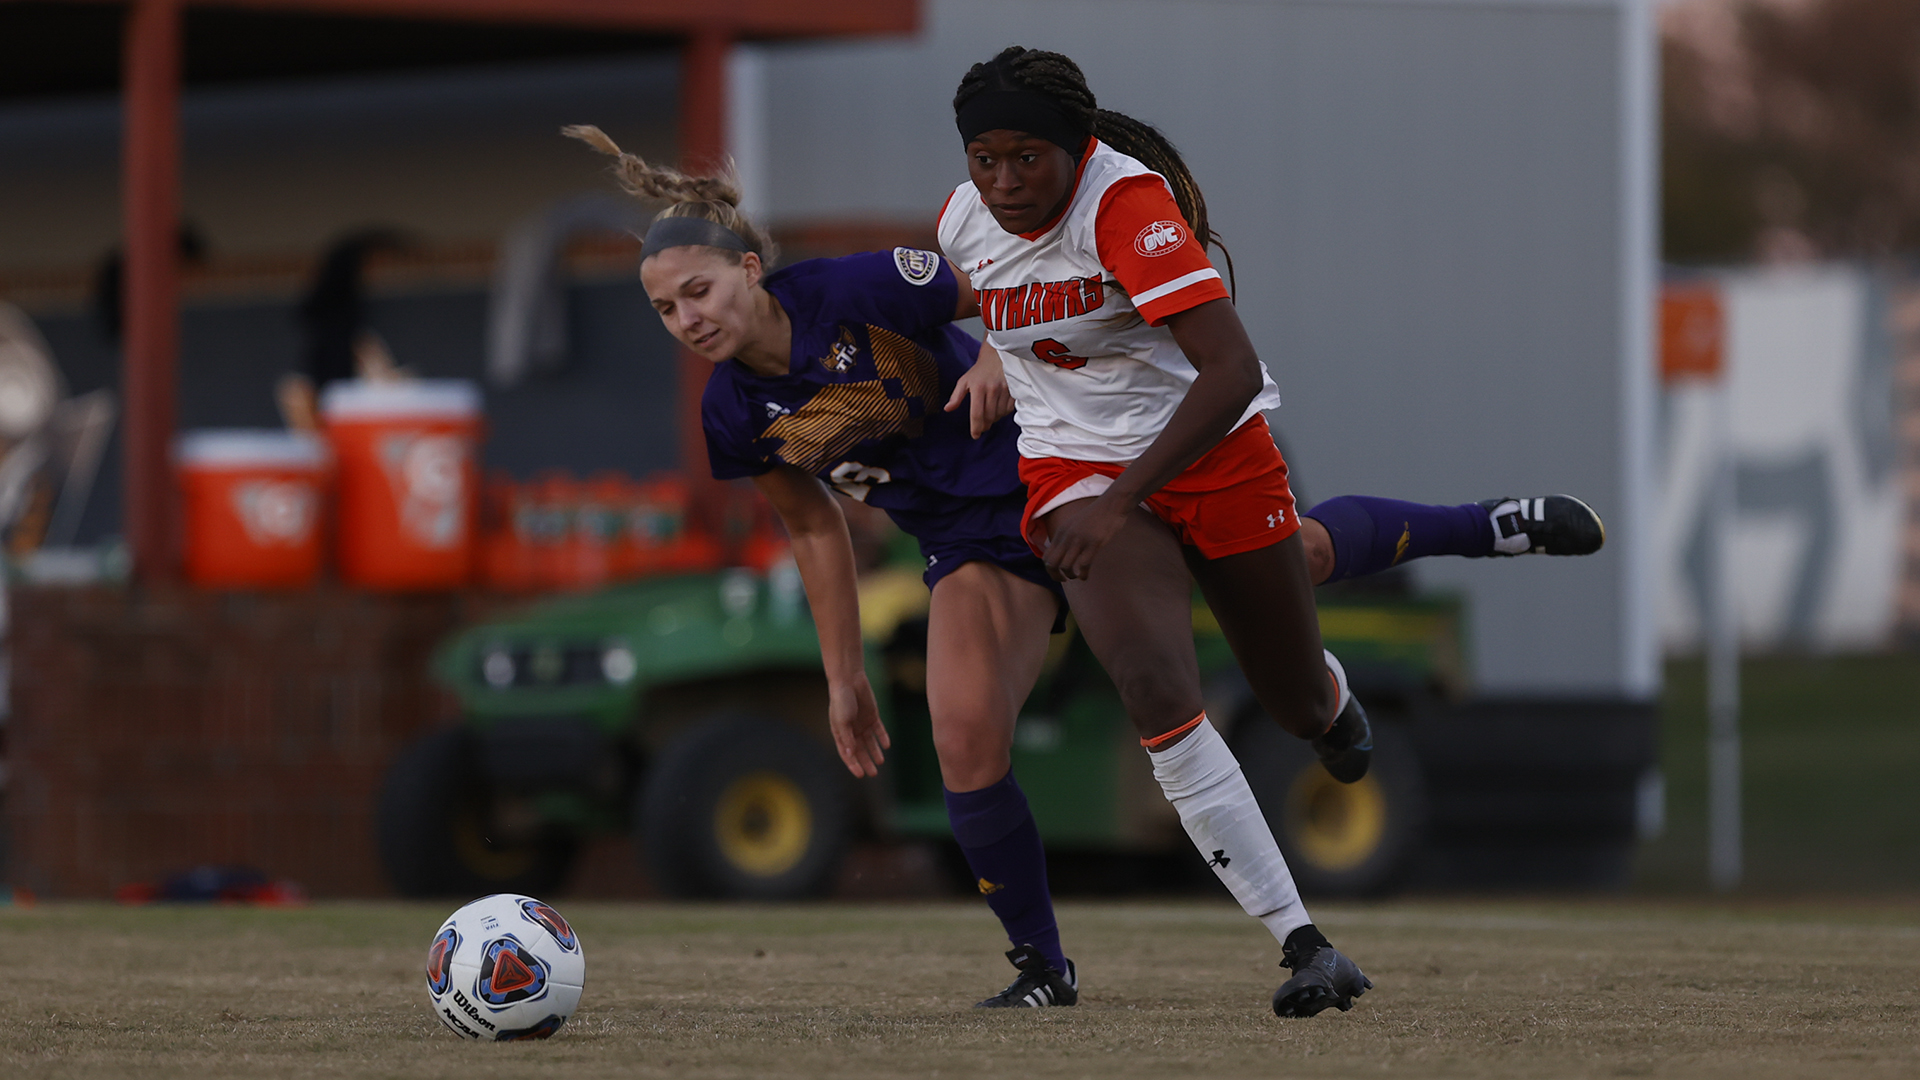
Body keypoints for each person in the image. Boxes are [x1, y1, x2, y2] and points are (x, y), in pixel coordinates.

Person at [563, 119, 1602, 1014]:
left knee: (1304, 555)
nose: (689, 319)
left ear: (748, 270)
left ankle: (1486, 525)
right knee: (965, 734)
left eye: (698, 290)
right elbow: (813, 531)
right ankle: (1043, 970)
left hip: (1063, 469)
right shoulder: (734, 413)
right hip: (976, 544)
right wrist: (843, 680)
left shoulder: (856, 286)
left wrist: (999, 360)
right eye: (666, 310)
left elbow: (1005, 286)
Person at [936, 46, 1601, 1018]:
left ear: (1076, 147)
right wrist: (988, 359)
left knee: (1294, 683)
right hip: (1074, 470)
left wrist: (1124, 499)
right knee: (1153, 683)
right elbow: (961, 299)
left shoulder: (1126, 207)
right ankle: (1306, 944)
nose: (1002, 181)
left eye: (1025, 157)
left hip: (1207, 448)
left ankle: (1468, 542)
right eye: (983, 158)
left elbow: (1232, 371)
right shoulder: (963, 220)